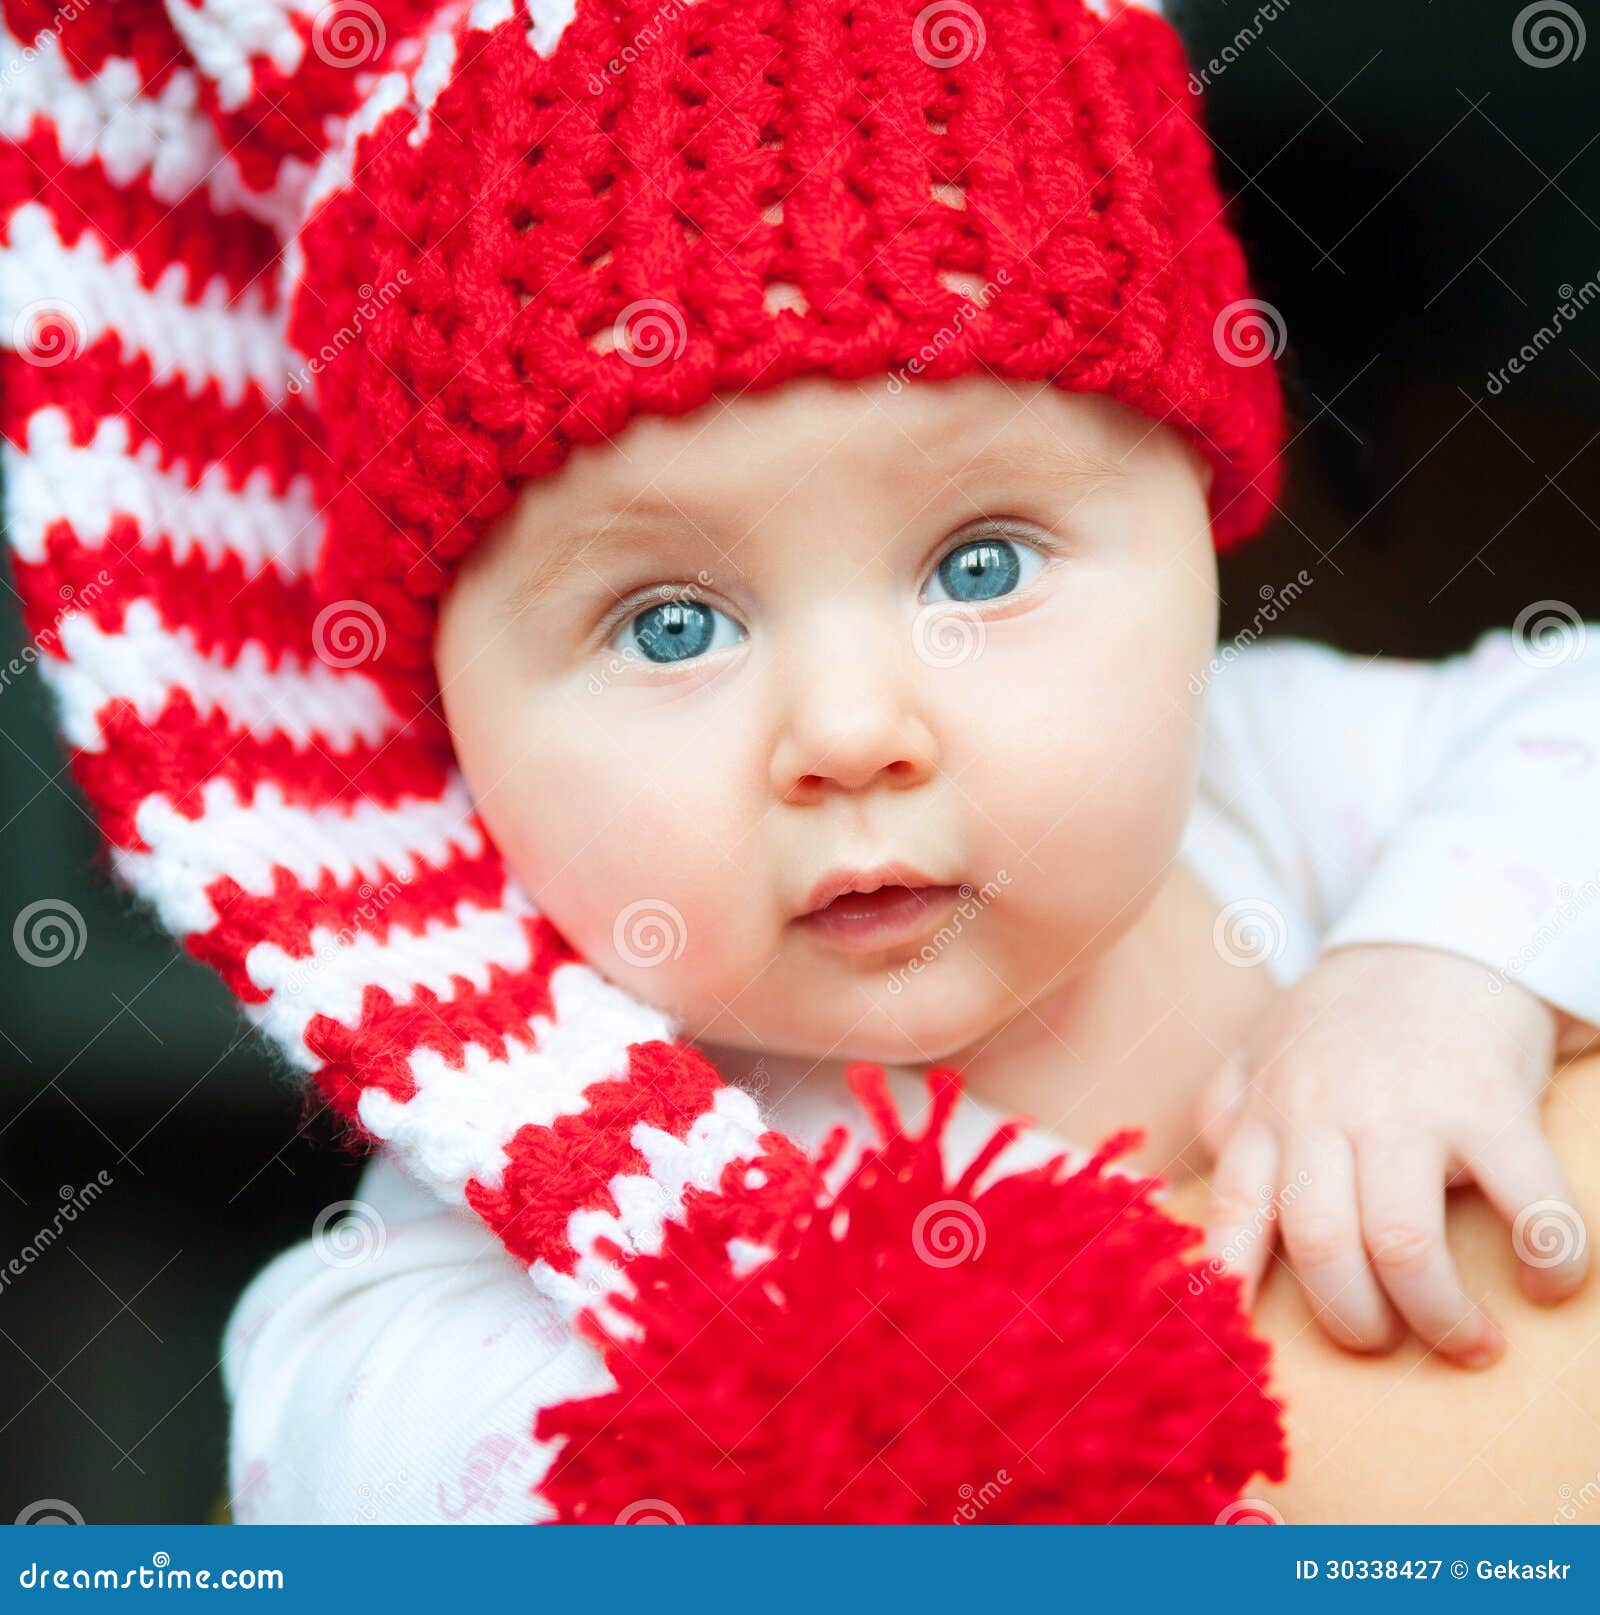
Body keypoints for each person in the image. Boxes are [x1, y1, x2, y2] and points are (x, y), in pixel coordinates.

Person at [2, 0, 1596, 1524]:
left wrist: (1438, 973)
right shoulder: (548, 1100)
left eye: (979, 566)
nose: (846, 735)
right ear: (447, 720)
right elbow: (334, 1425)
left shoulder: (1269, 775)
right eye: (671, 626)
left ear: (1206, 527)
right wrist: (793, 1424)